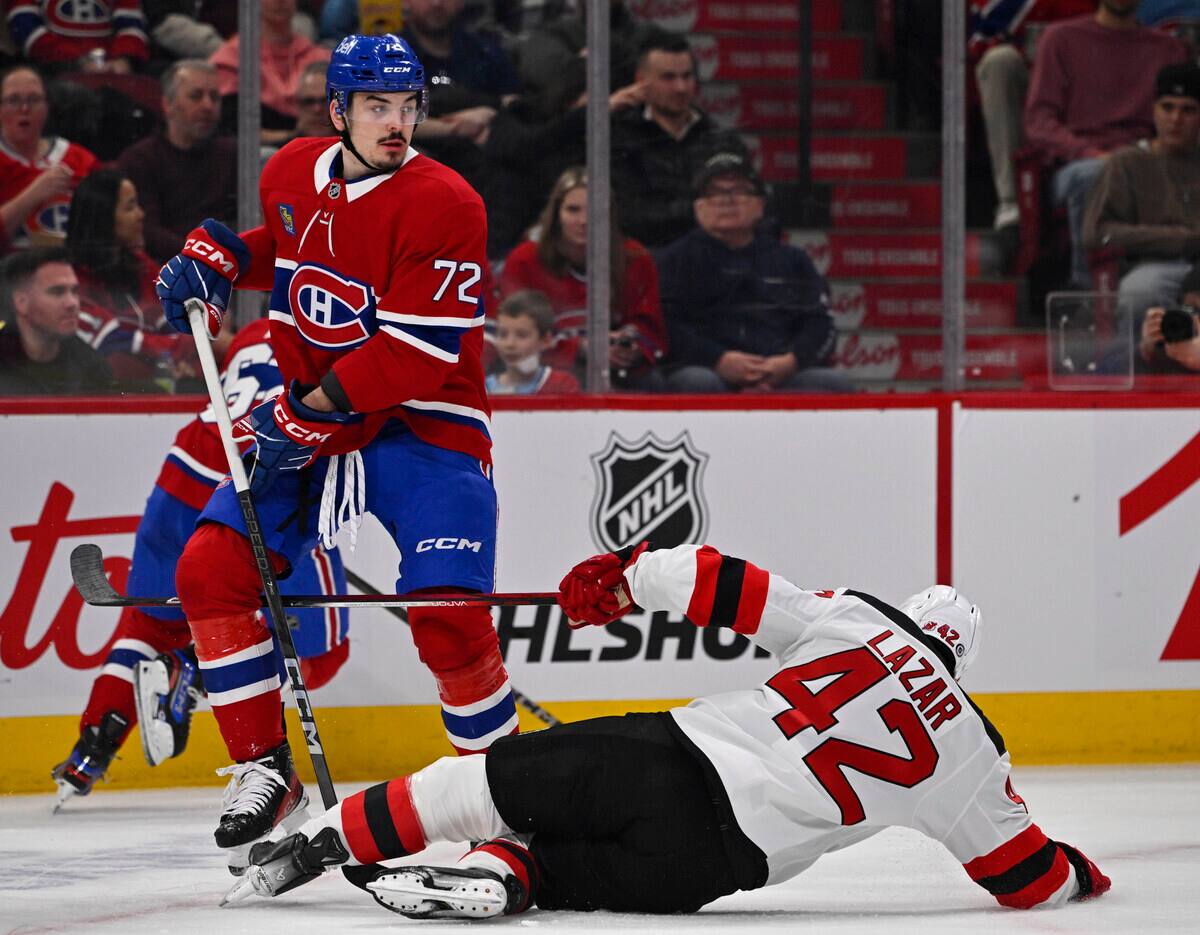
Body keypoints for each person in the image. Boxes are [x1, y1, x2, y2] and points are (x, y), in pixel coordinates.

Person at [227, 540, 1112, 919]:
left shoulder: (862, 620)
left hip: (678, 758)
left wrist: (623, 576)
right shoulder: (970, 748)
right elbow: (1025, 878)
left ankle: (314, 846)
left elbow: (729, 585)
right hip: (716, 868)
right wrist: (1081, 871)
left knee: (481, 785)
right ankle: (508, 882)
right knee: (561, 867)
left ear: (913, 614)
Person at [153, 34, 518, 870]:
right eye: (377, 108)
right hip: (314, 415)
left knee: (447, 610)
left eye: (407, 107)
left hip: (424, 422)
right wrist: (221, 260)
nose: (396, 124)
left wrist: (306, 413)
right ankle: (261, 765)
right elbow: (287, 245)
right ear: (338, 111)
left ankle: (501, 794)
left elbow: (416, 353)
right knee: (211, 567)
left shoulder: (448, 202)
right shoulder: (289, 171)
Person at [51, 317, 351, 811]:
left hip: (183, 475)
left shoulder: (258, 331)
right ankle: (186, 669)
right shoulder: (340, 334)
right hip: (263, 484)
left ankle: (90, 752)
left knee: (150, 624)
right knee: (322, 655)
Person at [1023, 0, 1187, 286]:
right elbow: (1039, 121)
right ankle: (1087, 295)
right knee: (1095, 175)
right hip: (1080, 163)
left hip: (1147, 163)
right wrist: (1090, 153)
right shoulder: (1060, 38)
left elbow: (1180, 121)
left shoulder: (1167, 49)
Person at [657, 152, 848, 394]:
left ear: (760, 205)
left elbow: (821, 324)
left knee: (832, 384)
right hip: (707, 370)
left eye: (739, 191)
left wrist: (790, 363)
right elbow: (666, 326)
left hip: (780, 372)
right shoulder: (674, 260)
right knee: (697, 382)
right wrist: (718, 360)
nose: (728, 201)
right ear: (698, 207)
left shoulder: (792, 259)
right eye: (716, 192)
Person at [498, 165, 667, 390]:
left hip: (620, 369)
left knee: (657, 383)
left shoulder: (634, 258)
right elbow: (513, 332)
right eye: (573, 210)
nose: (584, 221)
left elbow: (649, 325)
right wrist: (579, 347)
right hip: (549, 367)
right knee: (577, 380)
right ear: (556, 214)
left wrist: (628, 344)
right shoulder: (525, 259)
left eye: (594, 211)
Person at [611, 28, 748, 249]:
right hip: (644, 262)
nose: (681, 87)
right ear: (640, 81)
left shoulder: (721, 140)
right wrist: (703, 210)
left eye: (687, 76)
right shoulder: (620, 137)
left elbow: (748, 207)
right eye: (668, 78)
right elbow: (629, 216)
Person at [1083, 63, 1200, 312]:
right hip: (1156, 266)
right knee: (1142, 291)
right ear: (1154, 111)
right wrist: (1178, 239)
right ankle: (1138, 352)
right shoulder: (1127, 161)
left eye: (1188, 110)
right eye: (1167, 107)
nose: (1176, 119)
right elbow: (1097, 232)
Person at [969, 0, 1095, 230]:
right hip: (1028, 78)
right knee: (999, 62)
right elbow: (981, 38)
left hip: (1083, 76)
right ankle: (1012, 201)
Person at [67, 168, 195, 385]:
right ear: (104, 216)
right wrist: (180, 348)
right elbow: (112, 342)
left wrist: (181, 352)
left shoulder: (141, 265)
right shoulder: (69, 279)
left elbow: (176, 321)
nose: (140, 214)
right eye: (130, 207)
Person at [117, 59, 237, 262]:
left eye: (215, 97)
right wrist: (205, 256)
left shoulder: (233, 155)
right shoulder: (140, 160)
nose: (208, 106)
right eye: (196, 96)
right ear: (167, 104)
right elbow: (147, 231)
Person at [0, 65, 99, 250]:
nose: (24, 108)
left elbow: (108, 228)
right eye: (13, 100)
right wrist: (34, 194)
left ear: (47, 107)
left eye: (34, 100)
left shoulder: (80, 160)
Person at [0, 247, 115, 395]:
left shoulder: (92, 367)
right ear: (21, 302)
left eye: (74, 291)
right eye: (57, 292)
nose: (72, 303)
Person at [209, 0, 329, 139]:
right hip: (254, 151)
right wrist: (290, 137)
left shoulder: (320, 57)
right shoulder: (232, 58)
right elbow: (231, 127)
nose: (280, 1)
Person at [5, 0, 149, 73]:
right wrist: (78, 61)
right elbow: (26, 29)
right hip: (52, 70)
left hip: (111, 70)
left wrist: (123, 59)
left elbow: (131, 25)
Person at [486, 290, 580, 394]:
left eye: (522, 335)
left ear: (545, 340)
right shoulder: (482, 388)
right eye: (503, 334)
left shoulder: (562, 385)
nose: (510, 344)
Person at [1137, 265, 1200, 373]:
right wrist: (1146, 352)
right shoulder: (1171, 342)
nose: (1197, 319)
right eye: (1191, 309)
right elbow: (1108, 371)